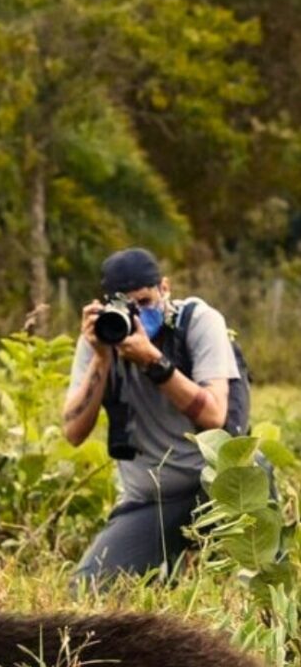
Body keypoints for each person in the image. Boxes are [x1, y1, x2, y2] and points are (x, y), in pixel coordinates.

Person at [62, 247, 239, 587]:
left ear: (165, 289)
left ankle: (207, 558)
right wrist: (101, 359)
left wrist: (153, 362)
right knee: (87, 590)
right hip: (151, 501)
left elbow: (215, 415)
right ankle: (166, 563)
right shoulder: (101, 337)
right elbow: (72, 433)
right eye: (128, 307)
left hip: (216, 484)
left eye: (144, 302)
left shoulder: (199, 322)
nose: (138, 317)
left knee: (254, 468)